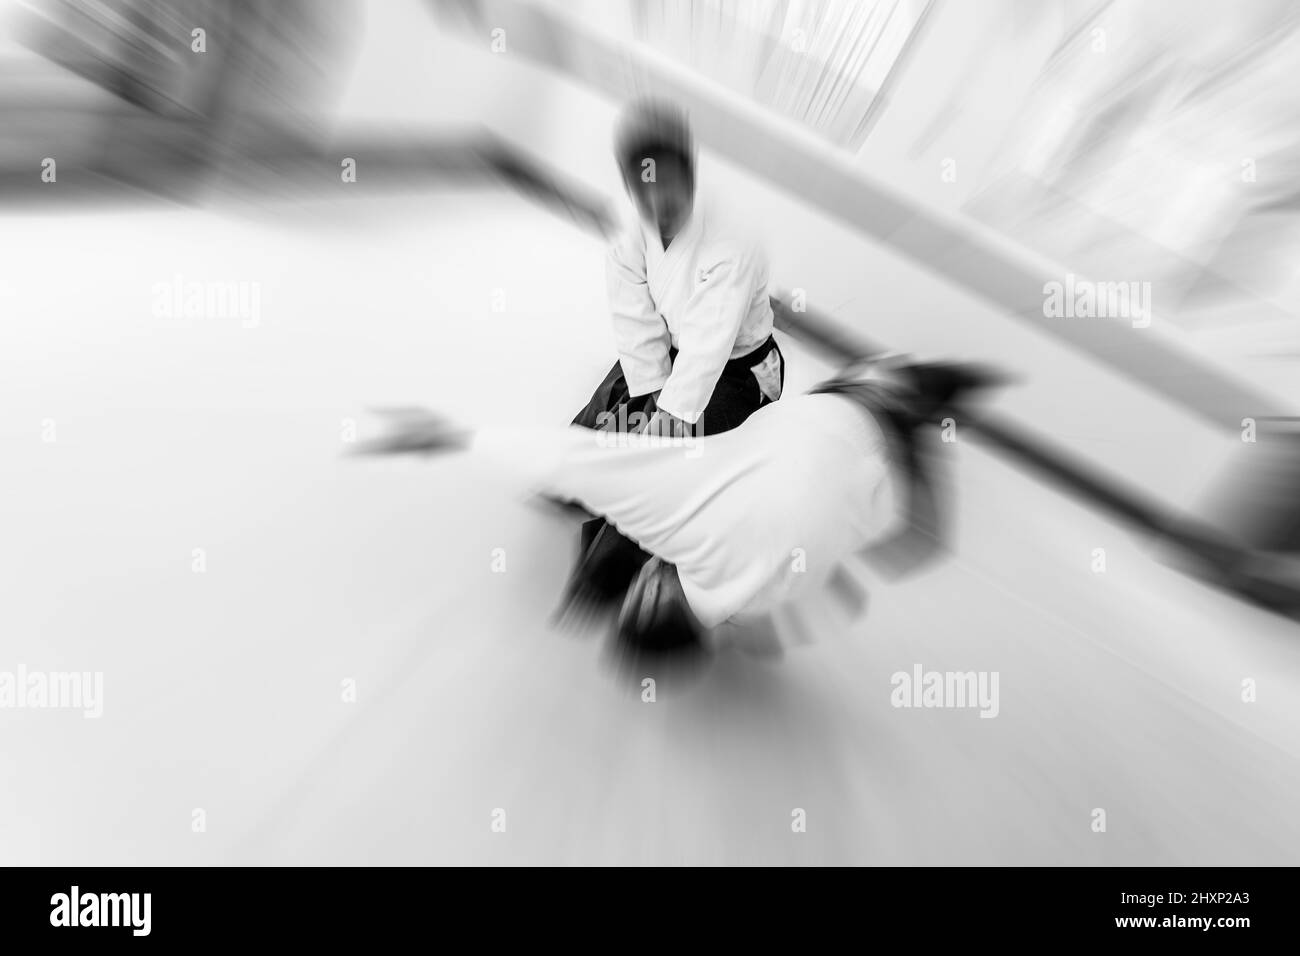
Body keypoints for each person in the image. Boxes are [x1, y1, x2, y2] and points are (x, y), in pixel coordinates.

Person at [354, 356, 1005, 659]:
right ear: (647, 601)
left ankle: (943, 401)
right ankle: (941, 392)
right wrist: (452, 435)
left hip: (879, 469)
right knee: (906, 392)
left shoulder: (762, 603)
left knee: (912, 506)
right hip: (852, 411)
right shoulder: (680, 520)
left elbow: (822, 605)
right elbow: (573, 460)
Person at [569, 98, 786, 608]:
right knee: (603, 427)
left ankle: (617, 564)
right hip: (671, 349)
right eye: (644, 187)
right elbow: (634, 315)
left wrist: (666, 421)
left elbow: (710, 342)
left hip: (737, 369)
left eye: (670, 183)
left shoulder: (734, 235)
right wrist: (647, 394)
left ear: (690, 173)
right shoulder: (631, 230)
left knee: (673, 464)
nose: (659, 200)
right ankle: (595, 477)